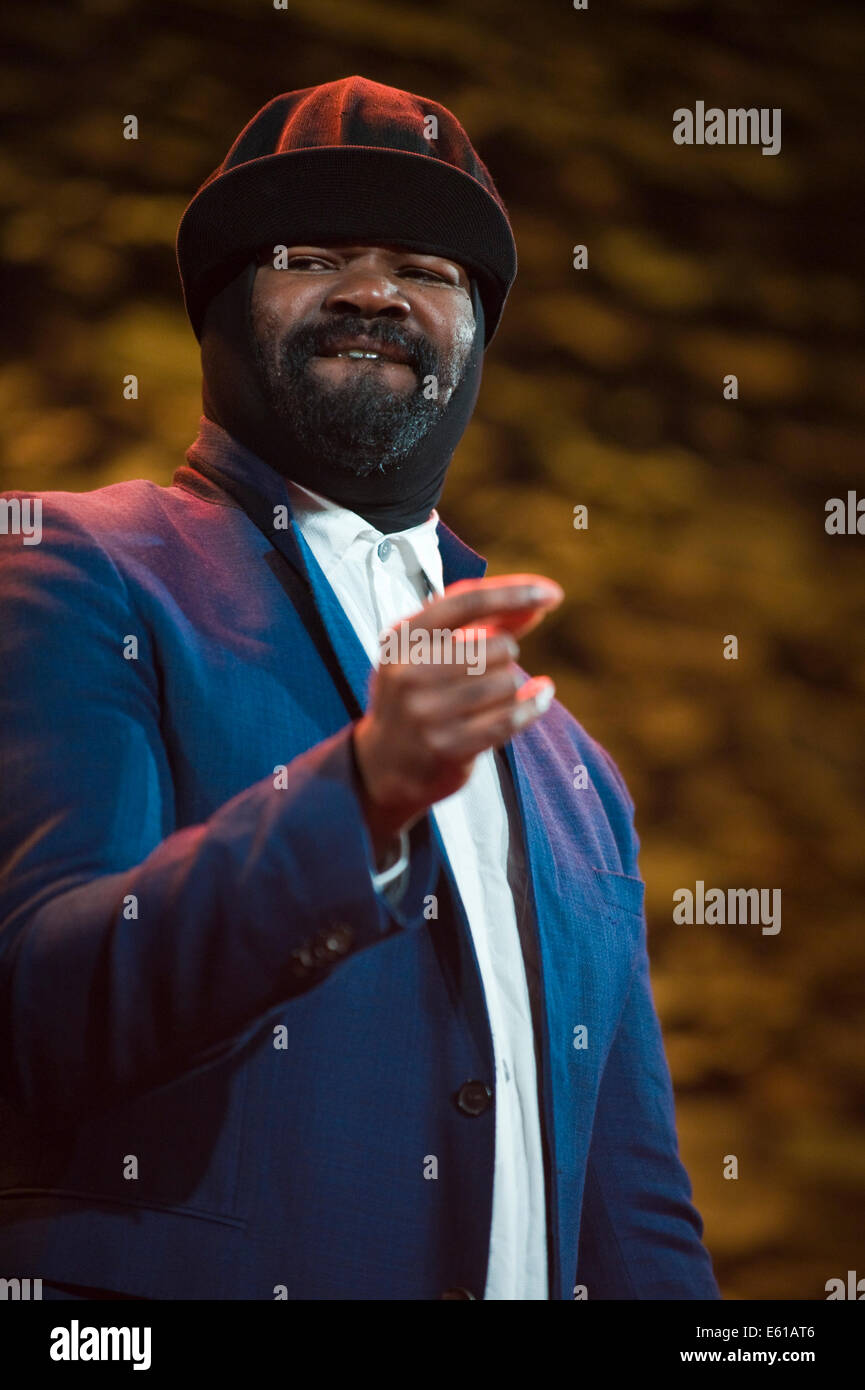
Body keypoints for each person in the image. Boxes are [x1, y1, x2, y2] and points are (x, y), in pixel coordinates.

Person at [0, 76, 719, 1301]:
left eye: (428, 270)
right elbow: (42, 1004)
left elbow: (632, 1208)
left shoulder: (575, 772)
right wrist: (357, 800)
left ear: (477, 337)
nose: (375, 291)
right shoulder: (74, 570)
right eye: (314, 252)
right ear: (220, 309)